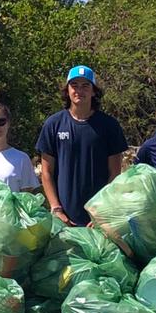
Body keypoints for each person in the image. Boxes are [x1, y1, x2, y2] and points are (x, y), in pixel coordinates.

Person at [36, 65, 127, 227]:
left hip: (99, 219)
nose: (79, 90)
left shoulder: (109, 125)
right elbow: (46, 172)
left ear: (94, 91)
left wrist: (102, 210)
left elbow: (115, 173)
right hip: (64, 220)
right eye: (74, 85)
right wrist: (56, 209)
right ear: (67, 90)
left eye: (85, 86)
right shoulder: (53, 124)